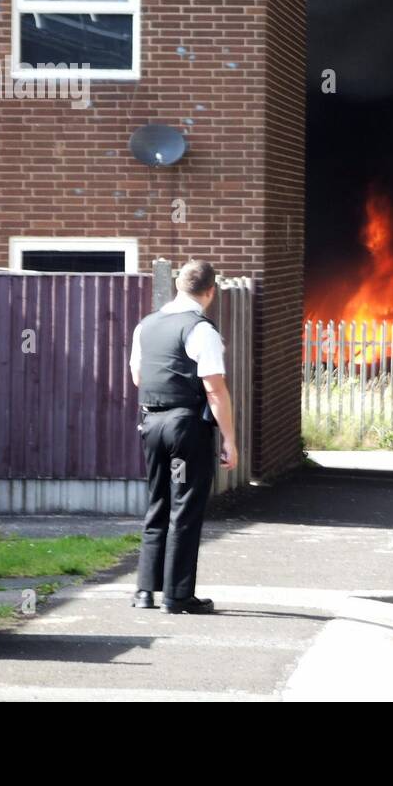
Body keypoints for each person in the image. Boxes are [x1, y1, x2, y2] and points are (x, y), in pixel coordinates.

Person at [128, 259, 239, 614]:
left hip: (150, 424)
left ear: (178, 286)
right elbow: (215, 391)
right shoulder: (200, 329)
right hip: (185, 427)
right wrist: (229, 440)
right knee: (185, 508)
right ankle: (177, 595)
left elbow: (138, 377)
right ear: (210, 292)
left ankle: (145, 591)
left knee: (157, 503)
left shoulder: (146, 325)